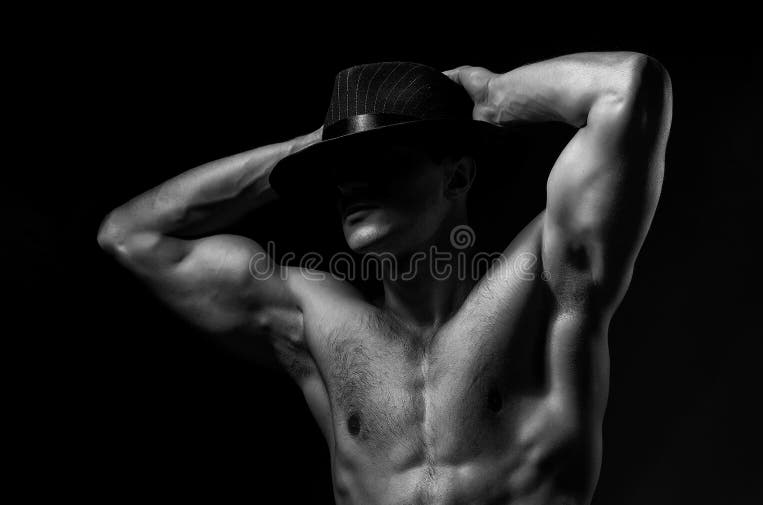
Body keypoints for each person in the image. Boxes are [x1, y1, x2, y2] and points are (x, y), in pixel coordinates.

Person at [97, 53, 672, 505]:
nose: (351, 182)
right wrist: (311, 146)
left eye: (379, 156)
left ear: (457, 177)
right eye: (340, 167)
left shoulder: (545, 281)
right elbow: (134, 235)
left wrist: (491, 97)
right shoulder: (313, 320)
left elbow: (627, 85)